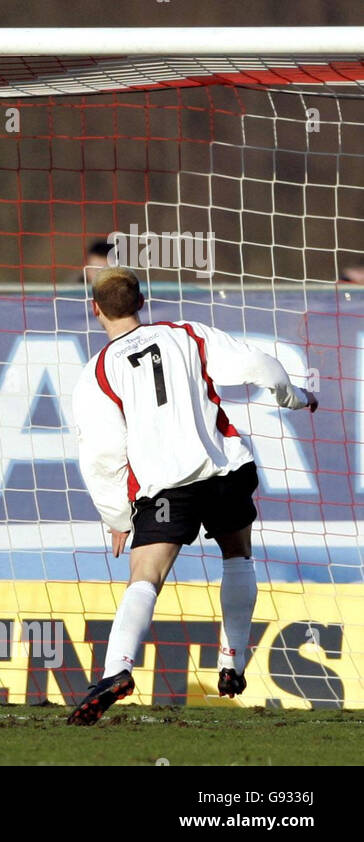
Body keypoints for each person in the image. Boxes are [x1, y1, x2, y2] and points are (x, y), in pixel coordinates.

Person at [67, 266, 316, 725]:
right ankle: (232, 662)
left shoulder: (97, 372)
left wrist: (118, 517)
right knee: (238, 556)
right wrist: (293, 398)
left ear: (95, 309)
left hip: (166, 486)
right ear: (142, 303)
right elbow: (261, 365)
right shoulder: (187, 333)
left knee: (145, 577)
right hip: (224, 469)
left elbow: (101, 455)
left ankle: (117, 670)